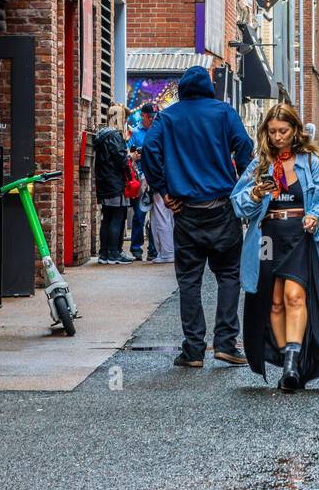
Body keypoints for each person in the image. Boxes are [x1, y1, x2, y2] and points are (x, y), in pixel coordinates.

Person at [232, 101, 319, 393]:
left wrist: (316, 218)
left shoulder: (310, 162)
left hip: (299, 236)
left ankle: (291, 366)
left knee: (294, 296)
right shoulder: (259, 164)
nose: (277, 137)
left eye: (283, 131)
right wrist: (254, 195)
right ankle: (289, 359)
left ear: (295, 130)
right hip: (267, 238)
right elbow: (238, 204)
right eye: (272, 131)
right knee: (274, 301)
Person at [142, 65, 254, 370]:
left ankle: (193, 350)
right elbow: (244, 147)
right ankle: (226, 343)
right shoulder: (224, 112)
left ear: (182, 89)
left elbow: (149, 150)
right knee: (229, 275)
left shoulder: (168, 117)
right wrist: (241, 182)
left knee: (189, 281)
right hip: (222, 208)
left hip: (186, 211)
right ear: (208, 88)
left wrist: (163, 189)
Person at [93, 126, 133, 264]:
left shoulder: (101, 139)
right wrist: (129, 167)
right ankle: (114, 253)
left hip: (103, 184)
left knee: (107, 219)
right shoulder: (115, 136)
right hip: (115, 184)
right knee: (117, 218)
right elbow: (122, 159)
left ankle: (104, 254)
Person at [129, 103, 158, 261]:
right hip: (140, 178)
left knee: (155, 216)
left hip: (154, 178)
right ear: (143, 115)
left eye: (154, 117)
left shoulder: (157, 131)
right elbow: (128, 155)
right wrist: (136, 156)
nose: (152, 120)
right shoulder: (135, 133)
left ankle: (153, 250)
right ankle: (136, 248)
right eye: (150, 117)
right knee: (139, 215)